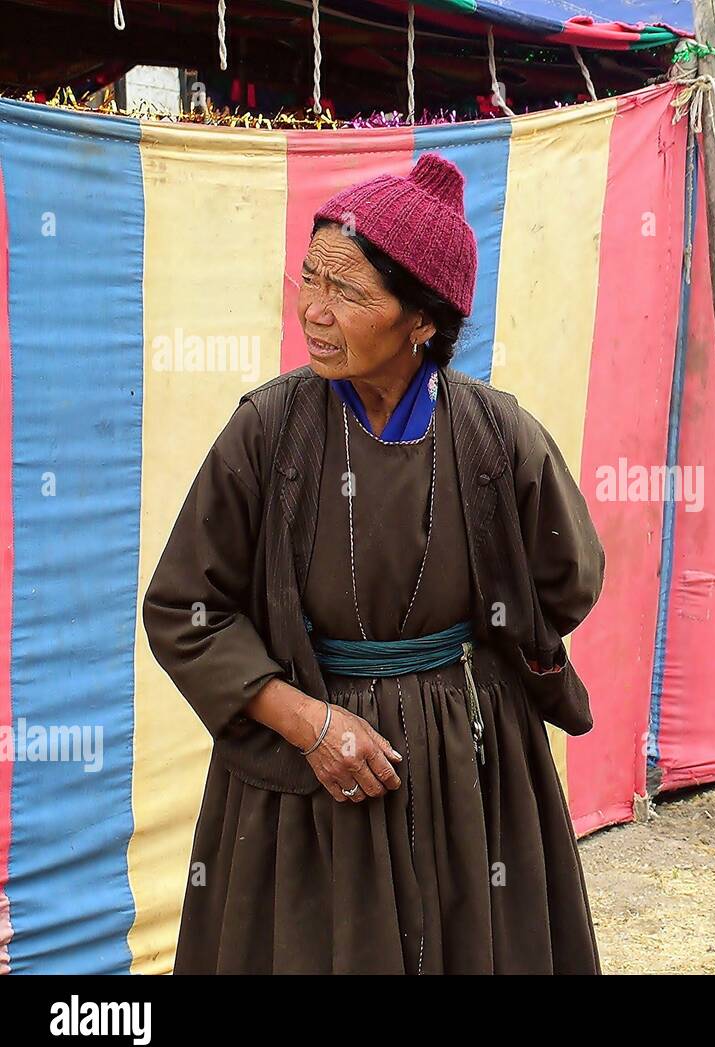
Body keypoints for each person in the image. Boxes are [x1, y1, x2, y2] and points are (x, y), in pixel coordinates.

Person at [143, 153, 605, 974]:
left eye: (348, 291)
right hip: (302, 762)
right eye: (310, 279)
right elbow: (185, 607)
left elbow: (568, 580)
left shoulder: (496, 438)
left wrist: (465, 669)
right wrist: (308, 721)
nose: (313, 312)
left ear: (422, 317)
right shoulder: (267, 431)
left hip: (466, 764)